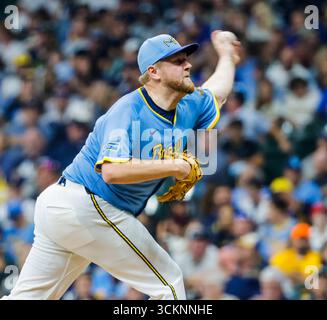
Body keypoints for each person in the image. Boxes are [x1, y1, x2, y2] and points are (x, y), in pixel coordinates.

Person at [3, 31, 240, 300]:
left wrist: (227, 56)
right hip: (85, 203)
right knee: (169, 285)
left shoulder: (189, 105)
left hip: (70, 211)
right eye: (177, 61)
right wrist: (175, 166)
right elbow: (112, 172)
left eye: (186, 59)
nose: (187, 65)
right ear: (154, 72)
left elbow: (218, 91)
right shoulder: (128, 109)